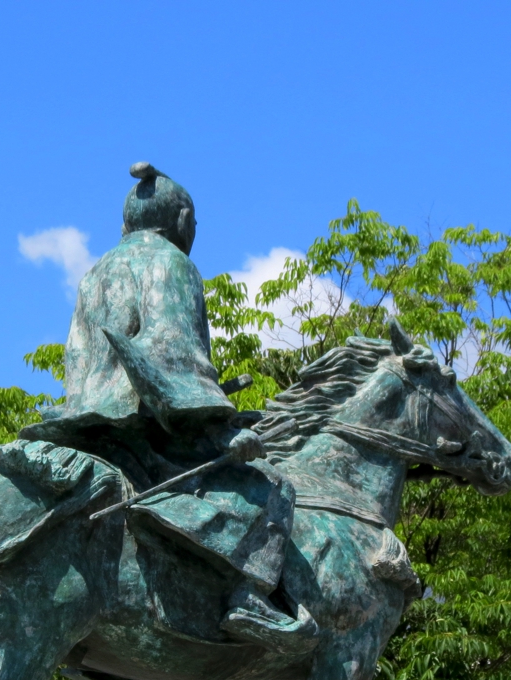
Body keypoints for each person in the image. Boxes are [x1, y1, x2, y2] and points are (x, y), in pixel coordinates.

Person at [21, 163, 315, 652]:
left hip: (88, 426)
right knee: (274, 486)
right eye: (194, 223)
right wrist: (222, 431)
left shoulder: (96, 272)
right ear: (180, 219)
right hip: (146, 425)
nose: (193, 233)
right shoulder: (172, 264)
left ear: (126, 224)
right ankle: (247, 597)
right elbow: (169, 359)